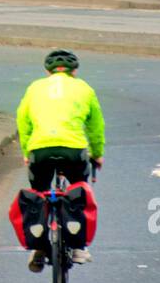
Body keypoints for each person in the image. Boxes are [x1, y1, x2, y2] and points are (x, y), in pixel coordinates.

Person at [16, 49, 105, 270]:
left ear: (47, 71)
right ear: (74, 71)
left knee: (39, 194)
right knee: (78, 191)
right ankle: (78, 247)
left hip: (41, 149)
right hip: (73, 149)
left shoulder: (35, 88)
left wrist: (28, 153)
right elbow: (95, 126)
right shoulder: (84, 88)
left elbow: (23, 122)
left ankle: (38, 247)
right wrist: (97, 153)